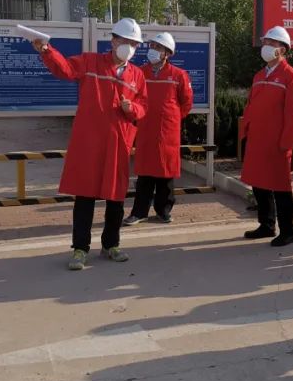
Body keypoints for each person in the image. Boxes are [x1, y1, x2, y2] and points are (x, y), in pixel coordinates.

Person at [33, 17, 147, 270]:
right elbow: (64, 68)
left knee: (115, 198)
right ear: (113, 40)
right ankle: (80, 249)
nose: (128, 47)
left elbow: (143, 108)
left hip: (118, 144)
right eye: (124, 41)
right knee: (85, 197)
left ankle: (111, 244)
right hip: (90, 143)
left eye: (133, 44)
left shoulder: (137, 75)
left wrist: (133, 109)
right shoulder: (91, 62)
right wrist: (46, 50)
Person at [240, 26, 293, 247]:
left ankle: (288, 231)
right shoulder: (259, 75)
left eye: (272, 43)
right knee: (259, 184)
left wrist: (286, 143)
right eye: (265, 42)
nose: (266, 47)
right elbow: (251, 105)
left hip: (277, 143)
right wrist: (245, 132)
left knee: (281, 187)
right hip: (257, 140)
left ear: (282, 49)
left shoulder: (291, 77)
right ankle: (266, 224)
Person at [125, 32, 193, 226]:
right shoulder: (140, 73)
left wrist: (172, 119)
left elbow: (186, 102)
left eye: (157, 47)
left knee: (165, 175)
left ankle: (164, 211)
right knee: (144, 174)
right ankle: (139, 212)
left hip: (167, 132)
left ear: (167, 53)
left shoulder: (178, 75)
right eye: (152, 46)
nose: (152, 50)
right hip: (145, 129)